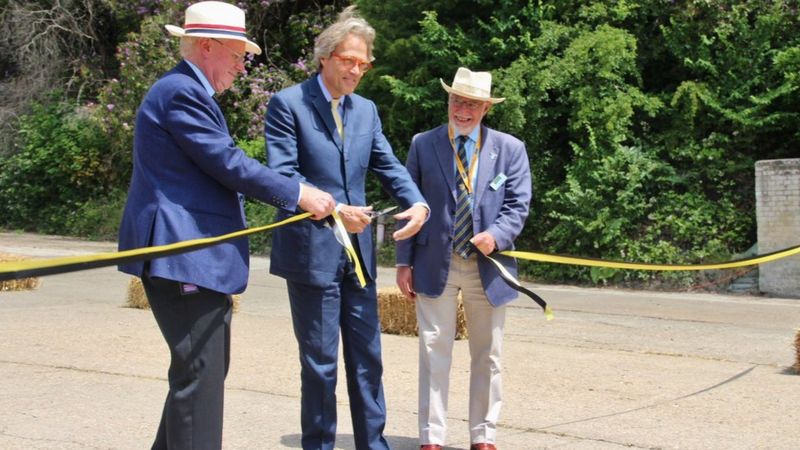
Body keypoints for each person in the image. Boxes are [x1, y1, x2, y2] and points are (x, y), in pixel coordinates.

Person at [117, 2, 335, 449]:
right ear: (206, 46)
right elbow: (227, 163)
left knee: (197, 377)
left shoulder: (183, 91)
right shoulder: (181, 92)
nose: (242, 65)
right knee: (200, 377)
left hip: (193, 258)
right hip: (184, 255)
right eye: (237, 54)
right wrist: (299, 193)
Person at [264, 6, 429, 450]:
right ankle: (318, 444)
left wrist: (417, 201)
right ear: (325, 57)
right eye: (348, 60)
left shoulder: (366, 110)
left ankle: (373, 444)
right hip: (310, 254)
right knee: (320, 363)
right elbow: (284, 176)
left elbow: (388, 164)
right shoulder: (288, 104)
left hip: (358, 256)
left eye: (363, 63)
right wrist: (336, 210)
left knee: (367, 358)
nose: (357, 69)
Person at [395, 67, 532, 450]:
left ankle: (483, 437)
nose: (463, 110)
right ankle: (432, 437)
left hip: (487, 266)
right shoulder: (424, 144)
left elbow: (518, 205)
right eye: (457, 100)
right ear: (449, 100)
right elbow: (409, 203)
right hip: (432, 261)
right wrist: (403, 261)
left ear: (486, 107)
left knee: (488, 355)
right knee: (432, 351)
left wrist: (497, 236)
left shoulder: (510, 149)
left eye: (472, 103)